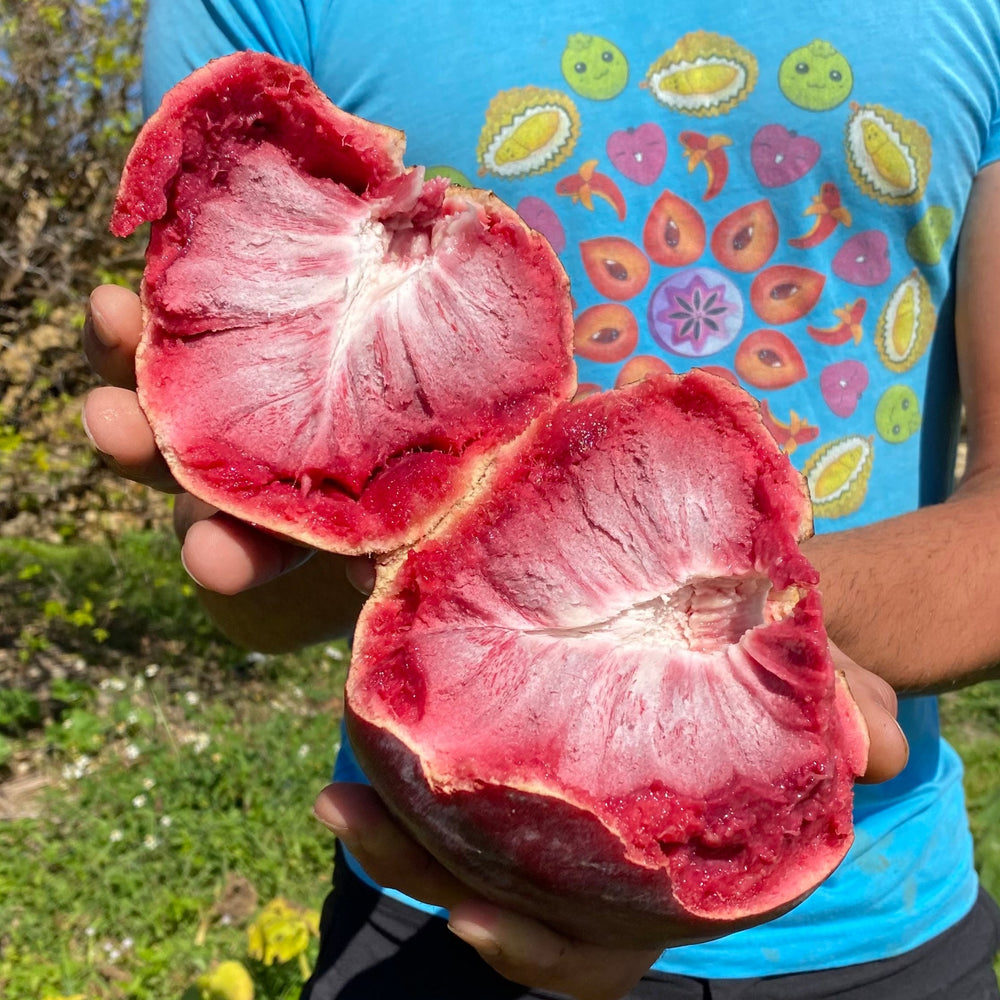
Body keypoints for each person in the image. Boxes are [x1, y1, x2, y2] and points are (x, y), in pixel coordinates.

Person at [82, 1, 1000, 997]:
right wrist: (343, 536)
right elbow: (245, 595)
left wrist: (742, 608)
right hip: (447, 880)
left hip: (877, 922)